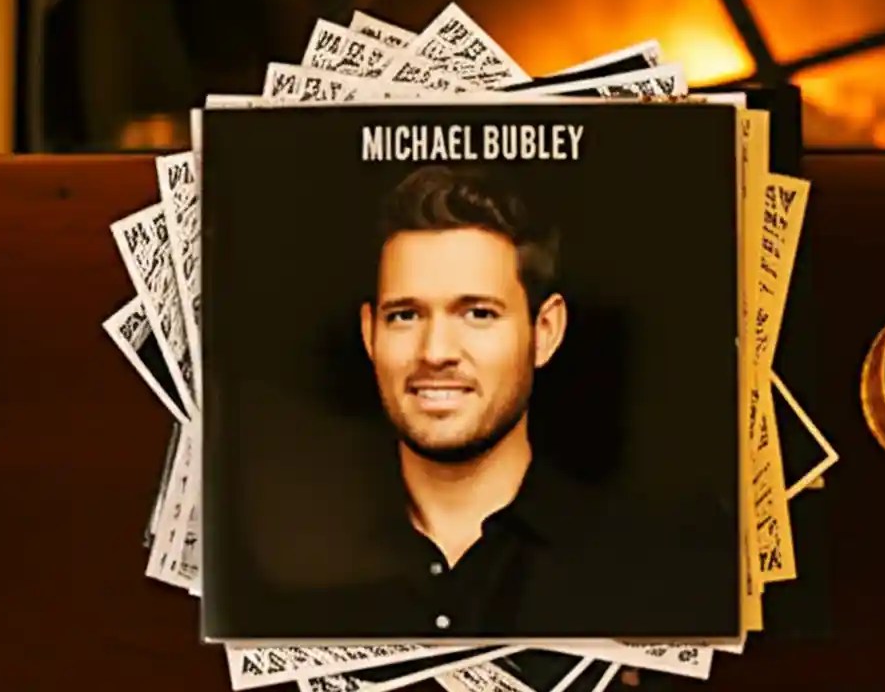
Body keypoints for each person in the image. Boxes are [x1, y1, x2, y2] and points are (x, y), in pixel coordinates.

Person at [286, 165, 737, 639]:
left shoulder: (655, 569)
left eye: (478, 313)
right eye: (405, 315)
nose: (435, 351)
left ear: (545, 333)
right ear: (369, 334)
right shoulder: (292, 559)